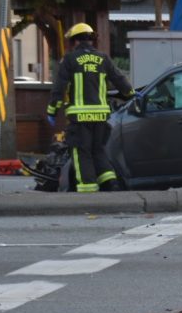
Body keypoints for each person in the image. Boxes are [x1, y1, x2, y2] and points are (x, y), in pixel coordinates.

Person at [46, 23, 135, 193]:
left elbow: (59, 88)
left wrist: (52, 111)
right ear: (91, 40)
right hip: (101, 117)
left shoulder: (70, 60)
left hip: (79, 118)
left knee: (81, 153)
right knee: (98, 150)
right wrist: (131, 93)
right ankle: (111, 183)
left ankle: (88, 191)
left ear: (75, 41)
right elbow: (120, 80)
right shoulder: (103, 58)